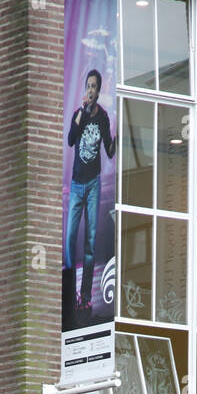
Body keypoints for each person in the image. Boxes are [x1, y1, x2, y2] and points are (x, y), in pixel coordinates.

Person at [64, 69, 116, 316]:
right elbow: (71, 141)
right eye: (88, 86)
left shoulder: (103, 117)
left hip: (94, 184)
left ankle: (85, 296)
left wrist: (116, 138)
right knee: (70, 237)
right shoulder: (80, 114)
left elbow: (109, 150)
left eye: (94, 86)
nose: (91, 90)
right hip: (76, 184)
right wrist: (79, 115)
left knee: (91, 241)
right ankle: (67, 291)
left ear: (99, 89)